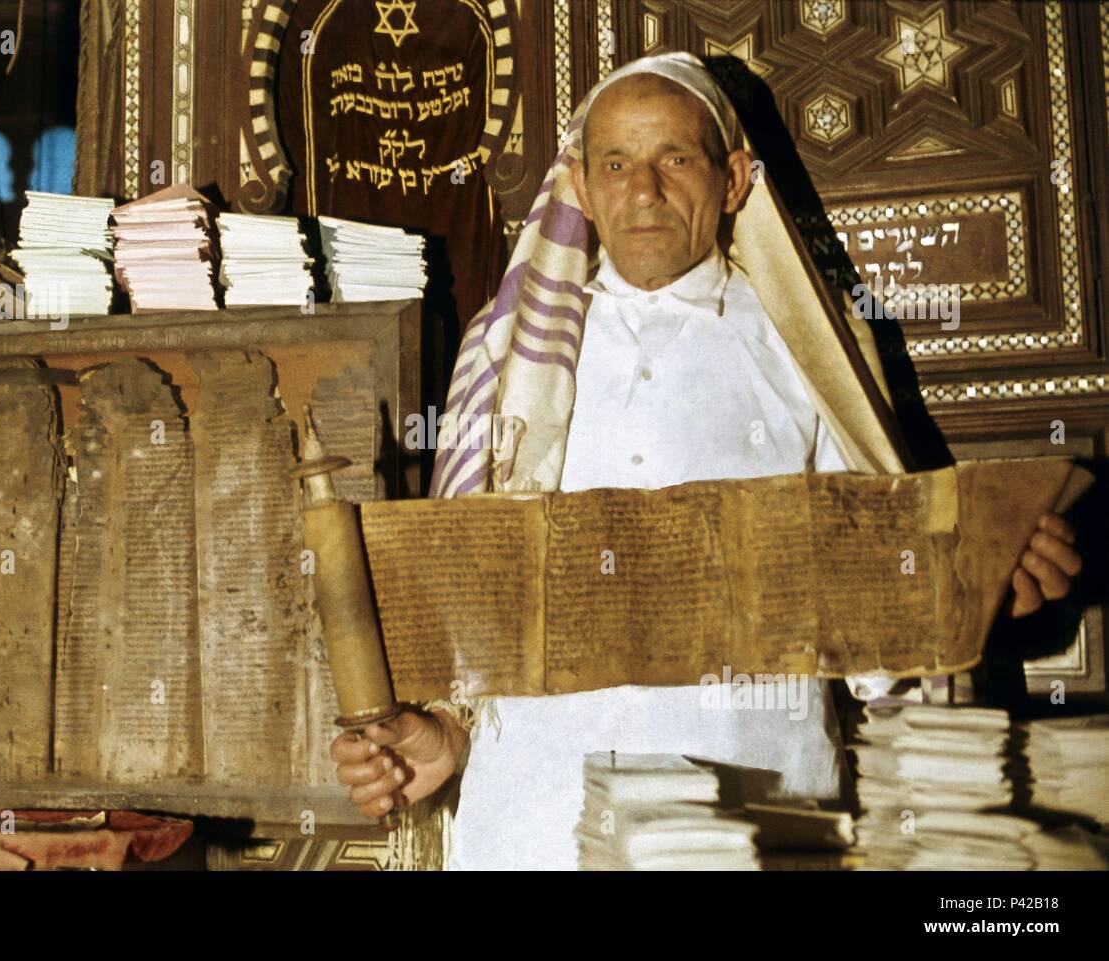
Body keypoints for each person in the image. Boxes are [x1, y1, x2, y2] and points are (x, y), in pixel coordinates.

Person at [330, 53, 1082, 870]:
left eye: (674, 159)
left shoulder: (812, 352)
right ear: (580, 187)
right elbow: (469, 632)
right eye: (615, 163)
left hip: (763, 814)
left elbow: (890, 617)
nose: (643, 190)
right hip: (534, 821)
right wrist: (442, 738)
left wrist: (975, 587)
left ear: (731, 180)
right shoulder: (508, 356)